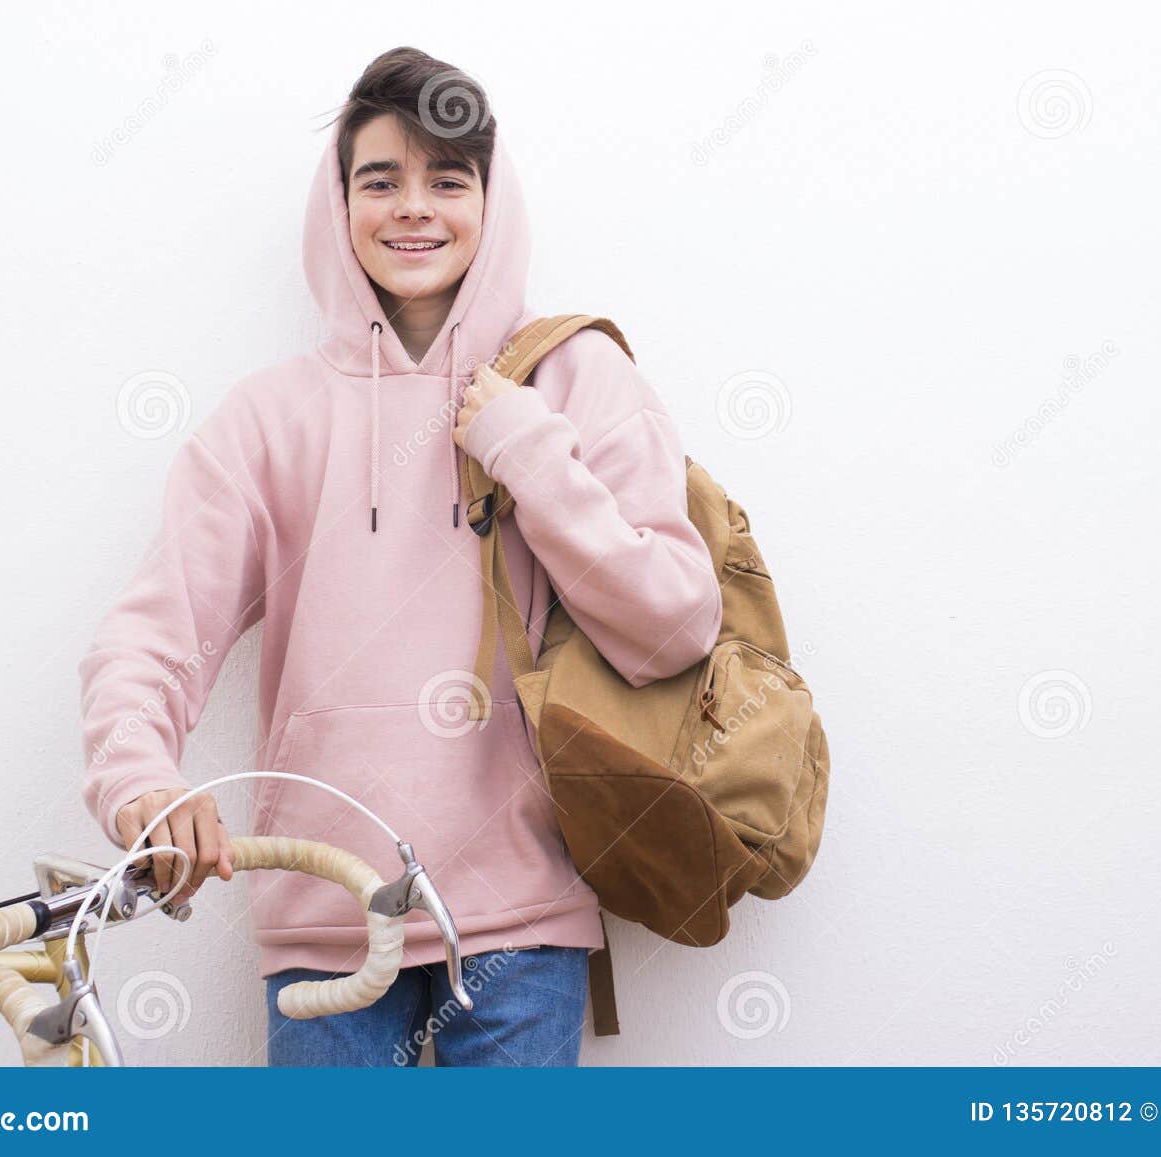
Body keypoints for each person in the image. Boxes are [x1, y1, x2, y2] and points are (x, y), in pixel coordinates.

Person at [77, 46, 721, 1067]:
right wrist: (139, 782)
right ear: (339, 204)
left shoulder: (573, 378)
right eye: (380, 179)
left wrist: (525, 450)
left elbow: (677, 623)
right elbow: (156, 633)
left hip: (523, 926)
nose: (412, 207)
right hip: (325, 917)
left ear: (491, 201)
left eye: (447, 180)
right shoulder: (267, 419)